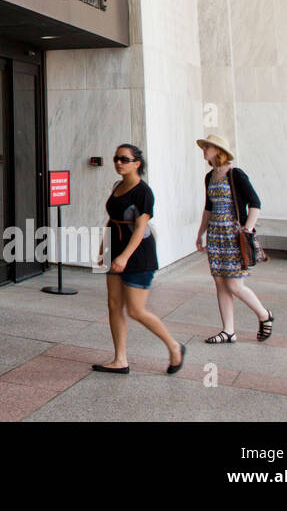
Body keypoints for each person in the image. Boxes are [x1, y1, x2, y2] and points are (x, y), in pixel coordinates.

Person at [93, 144, 185, 375]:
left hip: (138, 254)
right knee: (113, 305)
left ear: (137, 163)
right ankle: (120, 359)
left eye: (124, 159)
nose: (118, 163)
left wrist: (124, 257)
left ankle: (175, 347)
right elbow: (112, 220)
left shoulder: (143, 191)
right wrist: (103, 250)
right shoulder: (117, 186)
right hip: (115, 249)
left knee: (135, 310)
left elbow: (140, 227)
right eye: (116, 158)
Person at [195, 134, 273, 343]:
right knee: (220, 283)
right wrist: (200, 233)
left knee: (235, 285)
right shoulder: (209, 176)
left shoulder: (236, 174)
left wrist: (247, 230)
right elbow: (208, 208)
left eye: (207, 147)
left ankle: (264, 315)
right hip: (215, 235)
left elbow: (255, 203)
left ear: (218, 150)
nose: (204, 151)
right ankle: (228, 331)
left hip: (233, 235)